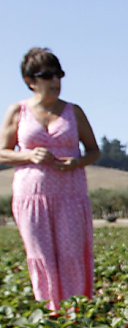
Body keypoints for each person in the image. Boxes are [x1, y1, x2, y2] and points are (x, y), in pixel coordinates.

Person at [0, 48, 100, 310]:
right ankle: (50, 315)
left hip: (71, 196)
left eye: (58, 74)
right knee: (41, 256)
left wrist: (77, 161)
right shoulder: (18, 112)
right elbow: (2, 153)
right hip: (31, 198)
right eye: (47, 75)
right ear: (30, 80)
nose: (55, 81)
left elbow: (94, 150)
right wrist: (28, 156)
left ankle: (77, 313)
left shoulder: (73, 112)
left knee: (71, 256)